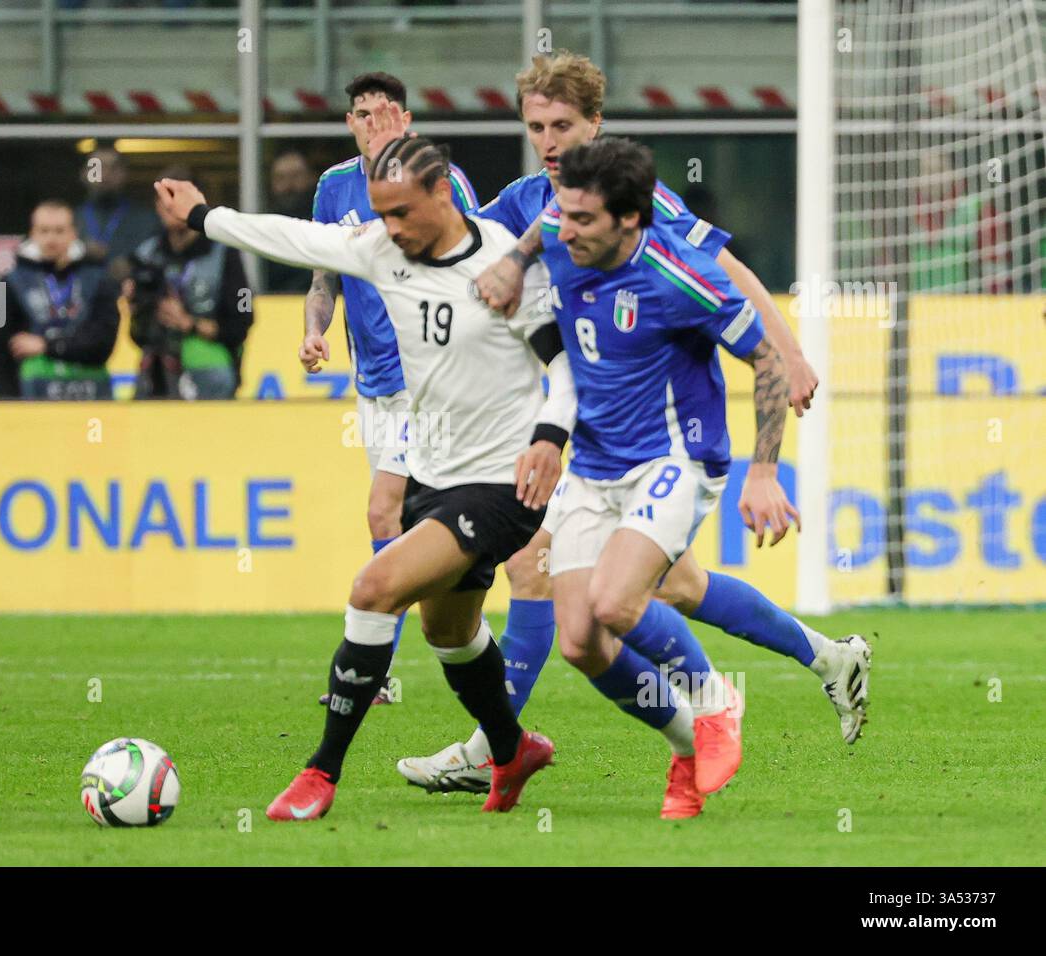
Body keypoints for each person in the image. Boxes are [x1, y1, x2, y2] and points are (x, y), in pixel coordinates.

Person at [389, 53, 867, 798]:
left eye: (564, 126)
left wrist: (788, 348)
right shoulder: (523, 203)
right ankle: (824, 659)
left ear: (595, 125)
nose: (549, 141)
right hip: (575, 419)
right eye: (537, 126)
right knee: (669, 584)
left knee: (552, 576)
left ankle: (502, 741)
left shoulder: (632, 202)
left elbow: (725, 274)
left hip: (649, 430)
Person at [154, 135, 621, 821]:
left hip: (503, 481)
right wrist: (204, 217)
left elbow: (567, 370)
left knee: (374, 589)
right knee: (450, 634)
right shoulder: (380, 247)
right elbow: (294, 239)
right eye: (380, 213)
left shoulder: (503, 264)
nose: (390, 228)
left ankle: (320, 772)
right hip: (434, 470)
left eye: (401, 212)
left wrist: (551, 437)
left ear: (442, 194)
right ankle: (511, 749)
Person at [540, 137, 867, 817]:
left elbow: (767, 359)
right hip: (596, 464)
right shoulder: (549, 230)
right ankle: (744, 708)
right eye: (534, 122)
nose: (563, 228)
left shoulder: (677, 273)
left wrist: (764, 471)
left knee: (616, 604)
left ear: (629, 219)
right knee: (588, 635)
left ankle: (718, 703)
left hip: (676, 457)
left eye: (582, 220)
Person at [302, 72, 479, 706]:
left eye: (382, 112)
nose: (372, 123)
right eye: (360, 114)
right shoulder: (333, 187)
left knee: (384, 509)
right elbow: (325, 280)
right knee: (415, 520)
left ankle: (373, 668)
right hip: (372, 382)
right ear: (350, 123)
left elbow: (475, 269)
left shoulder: (442, 182)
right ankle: (466, 628)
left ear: (404, 119)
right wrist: (313, 332)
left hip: (428, 380)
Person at [0, 199, 120, 400]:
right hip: (27, 402)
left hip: (92, 398)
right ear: (33, 233)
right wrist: (9, 400)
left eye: (59, 231)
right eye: (44, 231)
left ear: (73, 233)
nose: (51, 239)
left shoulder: (97, 280)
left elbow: (102, 342)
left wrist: (46, 346)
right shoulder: (7, 284)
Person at [125, 166, 252, 400]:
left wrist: (189, 323)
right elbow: (137, 335)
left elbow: (241, 323)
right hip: (155, 370)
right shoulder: (146, 254)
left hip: (210, 370)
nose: (170, 206)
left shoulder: (224, 253)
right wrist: (137, 308)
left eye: (177, 197)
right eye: (164, 198)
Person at [76, 147, 161, 282]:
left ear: (125, 174)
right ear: (83, 174)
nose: (105, 174)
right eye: (96, 167)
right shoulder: (69, 220)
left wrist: (133, 264)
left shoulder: (147, 221)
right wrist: (78, 250)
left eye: (113, 168)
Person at [263, 151, 316, 293]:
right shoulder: (264, 225)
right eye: (280, 178)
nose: (289, 185)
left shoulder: (324, 221)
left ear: (311, 178)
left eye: (296, 176)